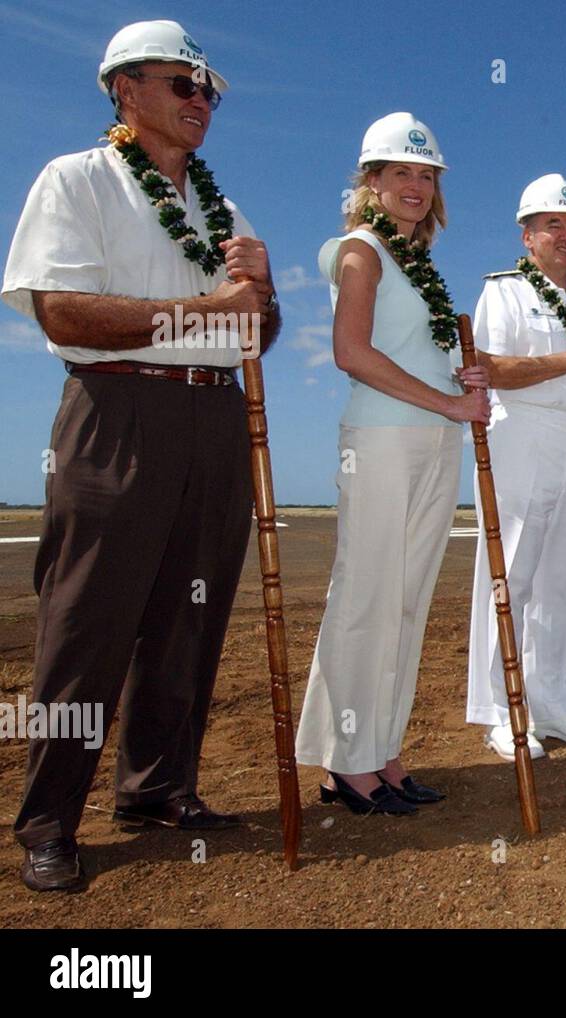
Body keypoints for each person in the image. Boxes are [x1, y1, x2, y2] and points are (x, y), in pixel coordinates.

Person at [1, 20, 280, 891]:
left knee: (189, 617)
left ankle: (157, 788)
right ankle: (49, 820)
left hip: (213, 418)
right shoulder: (76, 180)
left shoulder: (221, 208)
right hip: (116, 410)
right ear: (126, 88)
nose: (203, 98)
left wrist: (261, 294)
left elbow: (257, 337)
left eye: (210, 88)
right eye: (183, 82)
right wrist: (203, 309)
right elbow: (65, 315)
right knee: (87, 623)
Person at [295, 114, 491, 815]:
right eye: (401, 172)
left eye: (426, 175)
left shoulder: (421, 266)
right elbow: (351, 352)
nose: (415, 185)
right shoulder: (361, 252)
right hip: (380, 441)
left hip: (435, 441)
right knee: (366, 599)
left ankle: (382, 751)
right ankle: (346, 763)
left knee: (407, 603)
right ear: (371, 182)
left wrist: (460, 386)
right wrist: (448, 403)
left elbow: (415, 353)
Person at [465, 174, 566, 761]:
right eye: (554, 225)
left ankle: (554, 702)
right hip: (526, 434)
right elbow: (489, 368)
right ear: (527, 233)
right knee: (512, 573)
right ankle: (499, 710)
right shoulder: (505, 290)